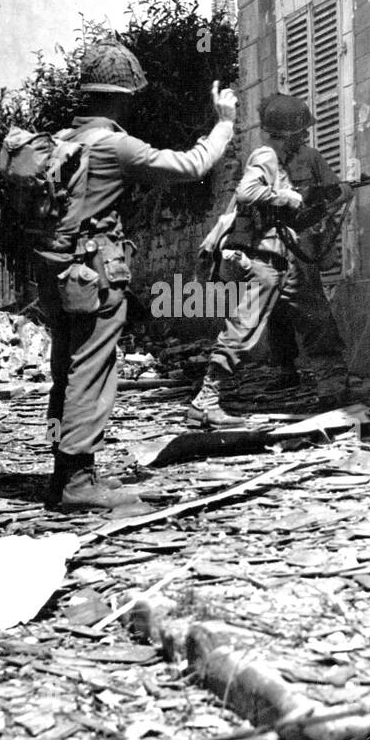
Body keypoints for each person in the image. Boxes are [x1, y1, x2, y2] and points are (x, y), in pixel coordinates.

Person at [31, 41, 237, 512]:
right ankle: (77, 482)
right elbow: (192, 165)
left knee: (66, 368)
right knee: (92, 371)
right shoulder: (113, 144)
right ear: (122, 96)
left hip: (59, 275)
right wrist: (223, 124)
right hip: (97, 275)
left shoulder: (62, 140)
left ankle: (64, 470)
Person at [188, 93, 350, 428]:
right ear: (284, 133)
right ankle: (205, 400)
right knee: (244, 325)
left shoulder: (311, 158)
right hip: (266, 255)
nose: (302, 137)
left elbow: (334, 192)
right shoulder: (264, 156)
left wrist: (329, 203)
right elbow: (247, 192)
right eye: (297, 132)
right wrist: (285, 197)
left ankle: (333, 387)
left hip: (297, 253)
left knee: (318, 319)